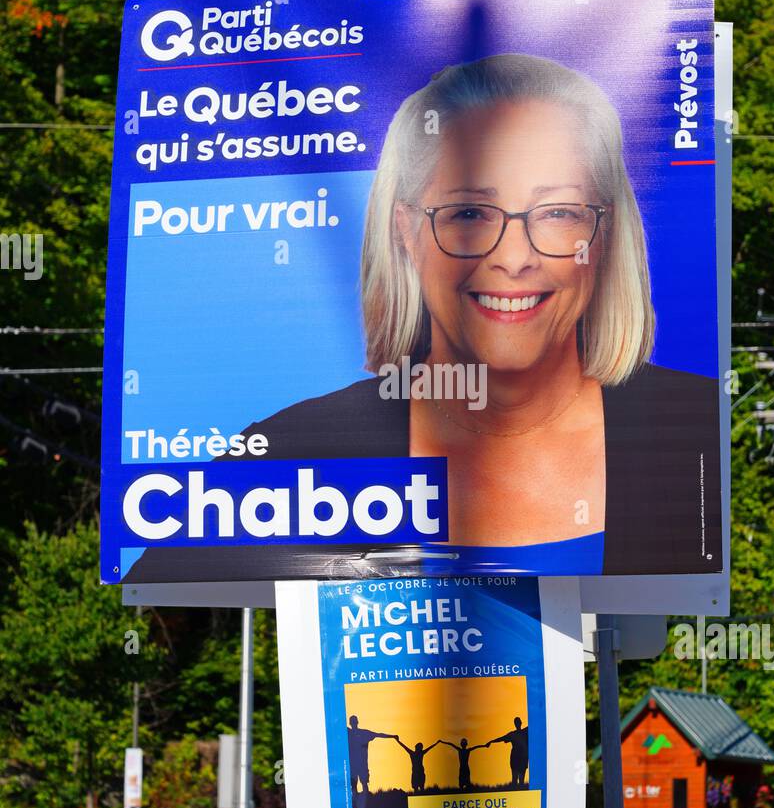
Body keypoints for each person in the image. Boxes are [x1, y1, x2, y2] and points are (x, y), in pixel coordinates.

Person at [124, 53, 721, 582]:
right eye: (468, 212)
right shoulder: (288, 451)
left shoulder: (691, 428)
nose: (514, 259)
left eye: (558, 212)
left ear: (607, 231)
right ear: (405, 230)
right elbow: (158, 627)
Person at [346, 715, 397, 796]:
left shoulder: (360, 733)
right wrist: (393, 736)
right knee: (356, 785)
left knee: (361, 785)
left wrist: (392, 736)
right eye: (353, 722)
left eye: (353, 722)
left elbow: (379, 735)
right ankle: (358, 800)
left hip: (360, 765)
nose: (354, 723)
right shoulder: (351, 733)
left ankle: (363, 800)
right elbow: (378, 734)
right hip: (355, 765)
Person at [490, 717, 529, 789]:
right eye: (516, 722)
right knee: (515, 779)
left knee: (520, 780)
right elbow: (501, 738)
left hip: (522, 758)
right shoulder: (514, 734)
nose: (517, 724)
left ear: (520, 723)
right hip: (516, 759)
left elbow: (501, 738)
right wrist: (491, 741)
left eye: (518, 722)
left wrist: (491, 742)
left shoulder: (525, 731)